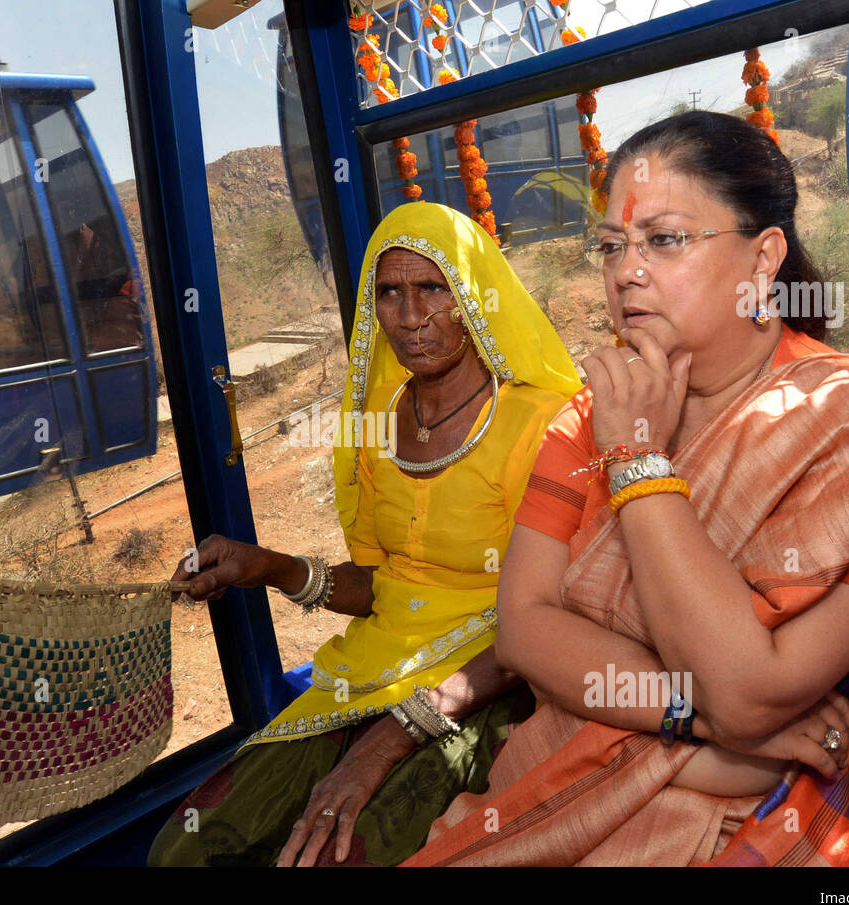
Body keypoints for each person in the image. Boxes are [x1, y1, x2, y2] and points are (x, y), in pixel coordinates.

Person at [405, 111, 849, 867]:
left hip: (774, 822)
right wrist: (696, 723)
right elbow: (524, 630)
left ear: (763, 258)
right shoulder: (587, 414)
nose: (626, 271)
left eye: (666, 239)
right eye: (612, 247)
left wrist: (637, 461)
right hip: (551, 797)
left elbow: (748, 688)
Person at [147, 201, 585, 866]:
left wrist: (387, 742)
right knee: (183, 852)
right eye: (389, 293)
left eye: (432, 288)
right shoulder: (374, 424)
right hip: (373, 667)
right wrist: (265, 567)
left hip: (493, 675)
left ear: (473, 294)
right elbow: (381, 587)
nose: (410, 318)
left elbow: (556, 616)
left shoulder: (540, 422)